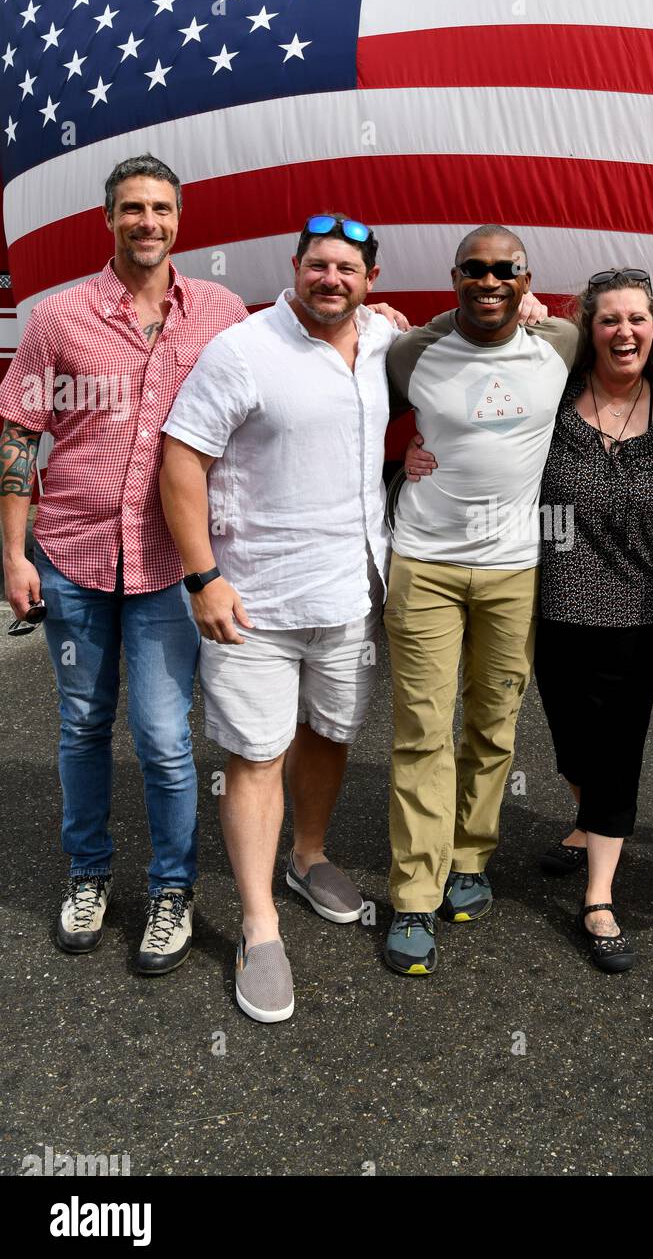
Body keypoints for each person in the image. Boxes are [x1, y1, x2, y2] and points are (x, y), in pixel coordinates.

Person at [0, 154, 248, 973]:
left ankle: (172, 888)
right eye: (133, 209)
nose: (149, 222)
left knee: (165, 740)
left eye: (162, 209)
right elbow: (18, 433)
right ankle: (88, 874)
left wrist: (385, 323)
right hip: (70, 557)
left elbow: (285, 371)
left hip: (168, 568)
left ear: (180, 220)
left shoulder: (219, 312)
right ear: (107, 218)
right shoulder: (58, 317)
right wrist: (13, 554)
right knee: (80, 726)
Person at [159, 214, 404, 1023]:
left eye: (348, 269)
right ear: (295, 268)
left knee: (331, 732)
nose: (331, 279)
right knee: (257, 753)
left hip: (347, 593)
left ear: (369, 282)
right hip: (252, 599)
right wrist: (203, 578)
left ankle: (307, 855)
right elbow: (182, 460)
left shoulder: (379, 339)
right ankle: (259, 925)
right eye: (318, 265)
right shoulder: (244, 349)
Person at [381, 225, 577, 977]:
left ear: (525, 279)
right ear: (453, 274)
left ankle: (469, 856)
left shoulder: (557, 345)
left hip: (514, 569)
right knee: (422, 731)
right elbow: (351, 416)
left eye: (505, 271)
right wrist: (400, 468)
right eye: (475, 270)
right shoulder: (411, 353)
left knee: (493, 725)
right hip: (425, 563)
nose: (489, 282)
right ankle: (413, 895)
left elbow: (621, 344)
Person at [533, 269, 653, 970]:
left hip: (633, 610)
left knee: (615, 748)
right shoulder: (553, 396)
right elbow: (479, 420)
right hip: (554, 603)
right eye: (607, 320)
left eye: (636, 319)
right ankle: (586, 819)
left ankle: (598, 896)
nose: (623, 331)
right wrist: (423, 457)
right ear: (586, 330)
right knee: (571, 741)